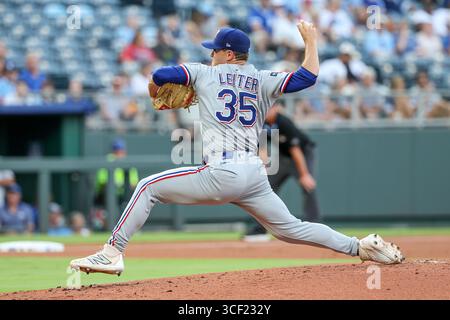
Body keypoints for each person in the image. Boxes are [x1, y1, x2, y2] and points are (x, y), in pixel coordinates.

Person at [70, 22, 404, 276]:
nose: (210, 55)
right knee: (291, 229)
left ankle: (113, 252)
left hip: (222, 171)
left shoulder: (203, 73)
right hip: (255, 175)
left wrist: (159, 87)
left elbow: (160, 73)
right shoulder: (261, 78)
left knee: (147, 187)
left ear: (228, 53)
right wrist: (312, 41)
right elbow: (307, 77)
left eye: (214, 50)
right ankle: (360, 247)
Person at [244, 101, 321, 242]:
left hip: (303, 154)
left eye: (269, 108)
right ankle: (259, 228)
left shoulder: (284, 123)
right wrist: (264, 166)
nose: (265, 111)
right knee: (265, 187)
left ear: (276, 108)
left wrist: (304, 175)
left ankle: (314, 225)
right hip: (282, 157)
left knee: (307, 185)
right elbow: (261, 148)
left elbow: (296, 151)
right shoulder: (260, 123)